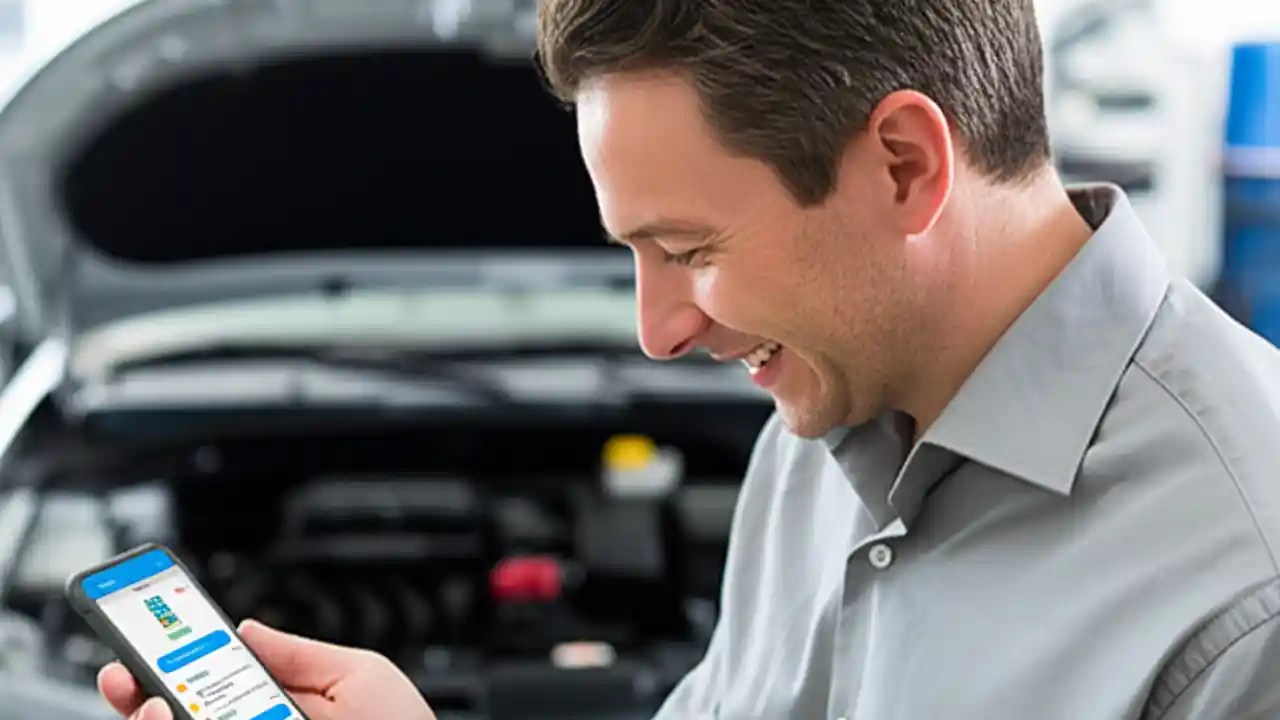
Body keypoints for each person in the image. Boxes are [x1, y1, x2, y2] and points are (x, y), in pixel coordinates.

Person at [102, 1, 1280, 718]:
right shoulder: (810, 436)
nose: (657, 331)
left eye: (688, 249)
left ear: (906, 167)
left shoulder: (1241, 605)